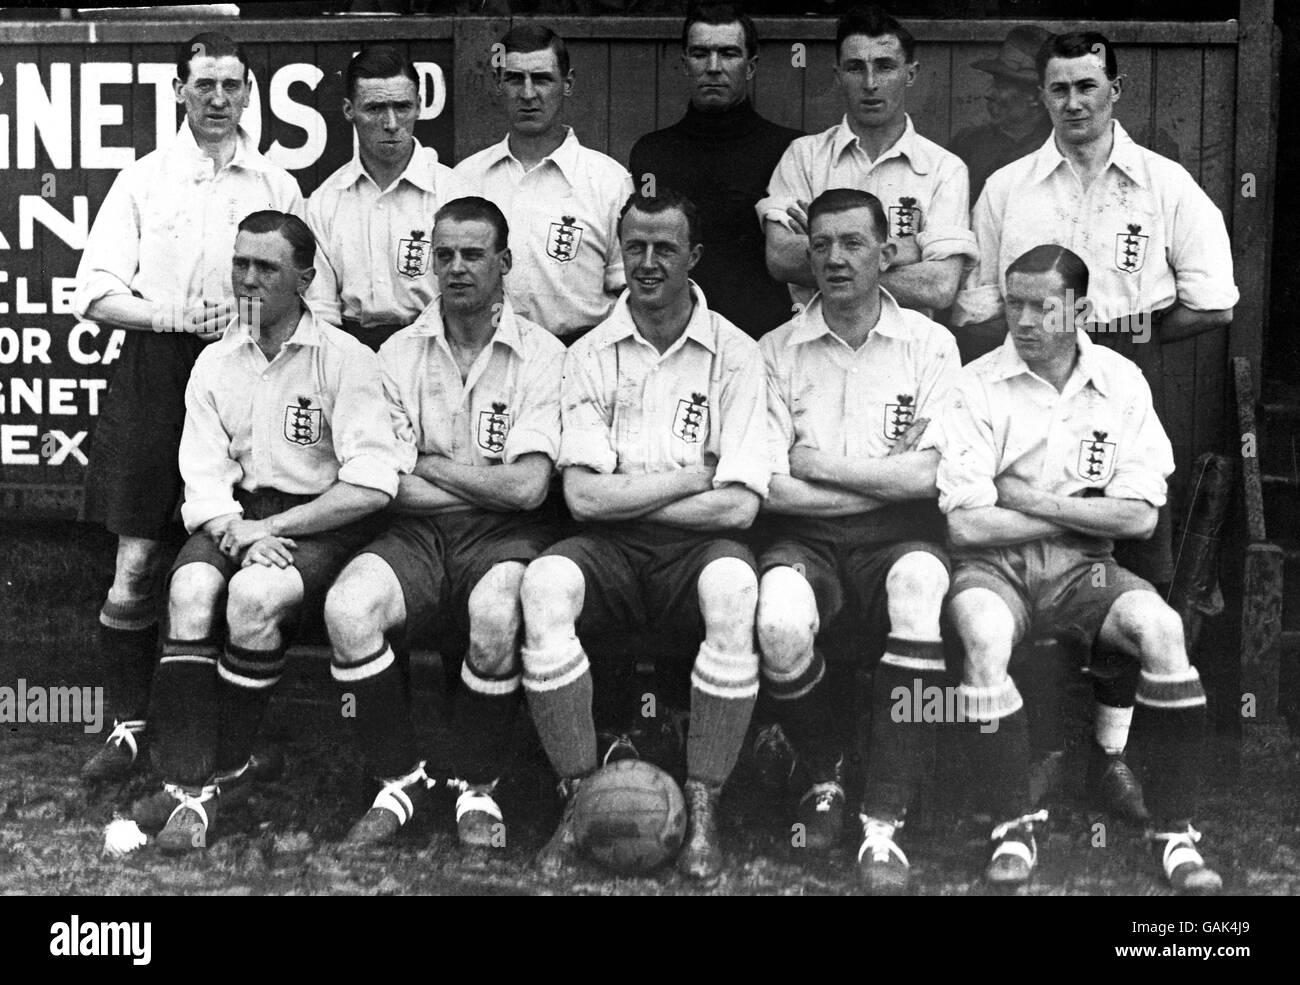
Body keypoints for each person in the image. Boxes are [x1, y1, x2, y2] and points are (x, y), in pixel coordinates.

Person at [952, 32, 1239, 810]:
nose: (1073, 102)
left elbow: (1214, 296)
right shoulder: (1009, 186)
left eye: (1088, 85)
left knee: (1131, 563)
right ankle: (1036, 750)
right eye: (1059, 89)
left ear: (1118, 88)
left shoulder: (1163, 184)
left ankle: (1111, 753)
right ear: (1043, 96)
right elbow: (976, 299)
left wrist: (1125, 335)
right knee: (1029, 569)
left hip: (1123, 374)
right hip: (1023, 371)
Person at [936, 244, 1221, 895]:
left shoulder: (1120, 383)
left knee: (1163, 631)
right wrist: (1087, 512)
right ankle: (1011, 826)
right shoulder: (975, 383)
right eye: (1015, 303)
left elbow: (1141, 518)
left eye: (1045, 305)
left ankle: (1176, 834)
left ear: (1082, 309)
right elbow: (966, 525)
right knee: (982, 632)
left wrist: (1033, 501)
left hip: (1086, 575)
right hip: (995, 569)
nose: (1026, 320)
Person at [73, 33, 305, 783]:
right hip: (157, 371)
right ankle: (129, 726)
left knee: (246, 554)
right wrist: (171, 315)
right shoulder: (144, 180)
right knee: (137, 563)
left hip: (250, 373)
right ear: (178, 89)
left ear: (248, 93)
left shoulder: (277, 181)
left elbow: (310, 293)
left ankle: (238, 738)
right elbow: (96, 292)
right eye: (203, 84)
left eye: (231, 86)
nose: (217, 99)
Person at [518, 188, 769, 881]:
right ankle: (577, 800)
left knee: (735, 586)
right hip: (615, 550)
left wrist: (630, 499)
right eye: (635, 248)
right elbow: (584, 498)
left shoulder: (737, 355)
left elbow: (741, 509)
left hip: (698, 550)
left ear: (695, 255)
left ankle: (704, 803)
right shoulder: (591, 353)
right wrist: (693, 479)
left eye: (665, 248)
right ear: (619, 253)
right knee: (544, 585)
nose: (649, 262)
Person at [143, 212, 401, 853]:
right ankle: (185, 785)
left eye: (267, 267)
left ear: (306, 279)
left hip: (316, 520)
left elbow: (371, 482)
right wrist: (238, 529)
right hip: (238, 515)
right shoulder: (214, 362)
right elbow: (203, 479)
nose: (248, 280)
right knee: (191, 591)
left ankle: (222, 774)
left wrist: (273, 527)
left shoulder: (346, 360)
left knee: (253, 600)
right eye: (240, 264)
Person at [322, 197, 564, 849]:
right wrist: (476, 482)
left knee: (494, 615)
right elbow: (387, 486)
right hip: (418, 535)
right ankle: (397, 780)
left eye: (473, 254)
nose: (457, 268)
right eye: (445, 254)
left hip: (507, 538)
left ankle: (476, 786)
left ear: (504, 262)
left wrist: (433, 464)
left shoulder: (542, 353)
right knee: (348, 609)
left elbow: (529, 486)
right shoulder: (398, 352)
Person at [756, 188, 959, 893]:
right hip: (802, 539)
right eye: (821, 246)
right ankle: (825, 768)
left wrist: (822, 465)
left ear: (886, 251)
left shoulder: (932, 344)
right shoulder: (775, 350)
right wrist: (880, 475)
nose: (836, 259)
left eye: (853, 243)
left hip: (899, 538)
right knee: (778, 621)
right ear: (805, 257)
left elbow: (933, 477)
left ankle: (886, 815)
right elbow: (772, 486)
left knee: (922, 589)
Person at [757, 5, 975, 317]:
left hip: (908, 354)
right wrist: (908, 248)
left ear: (910, 74)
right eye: (856, 67)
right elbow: (781, 257)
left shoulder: (944, 168)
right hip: (814, 346)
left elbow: (938, 287)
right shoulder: (804, 156)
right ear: (838, 75)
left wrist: (825, 253)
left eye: (885, 67)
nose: (870, 83)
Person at [628, 1, 801, 339]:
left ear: (750, 67)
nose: (713, 67)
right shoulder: (652, 153)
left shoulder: (790, 151)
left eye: (728, 54)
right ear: (684, 64)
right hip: (676, 338)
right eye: (700, 54)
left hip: (768, 340)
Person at [454, 24, 633, 342]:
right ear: (498, 83)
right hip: (491, 354)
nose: (527, 94)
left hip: (580, 356)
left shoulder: (609, 182)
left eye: (542, 79)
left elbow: (628, 291)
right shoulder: (467, 178)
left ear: (568, 83)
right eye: (514, 79)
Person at [305, 45, 472, 352]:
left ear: (419, 106)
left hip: (437, 348)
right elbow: (321, 312)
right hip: (353, 351)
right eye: (375, 108)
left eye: (402, 107)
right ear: (348, 110)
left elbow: (473, 296)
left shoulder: (453, 193)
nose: (392, 123)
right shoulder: (325, 202)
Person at [947, 25, 1052, 203]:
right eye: (994, 82)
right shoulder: (967, 144)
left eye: (1001, 85)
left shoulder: (1057, 149)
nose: (988, 93)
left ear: (1036, 97)